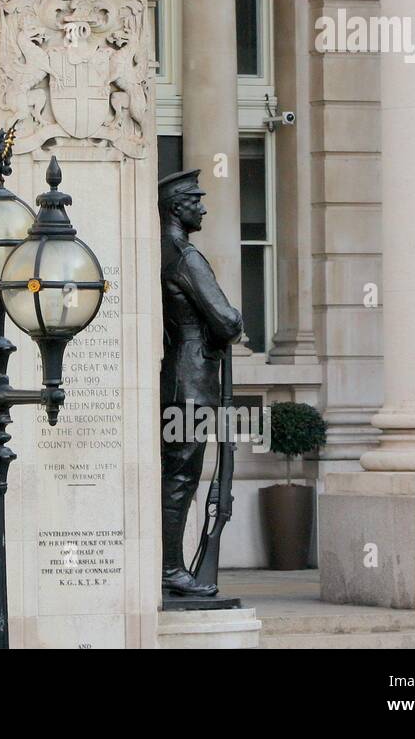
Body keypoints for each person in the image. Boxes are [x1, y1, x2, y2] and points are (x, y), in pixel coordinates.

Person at [157, 168, 243, 597]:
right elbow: (226, 320)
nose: (205, 207)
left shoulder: (165, 251)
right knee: (180, 477)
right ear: (177, 207)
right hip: (191, 381)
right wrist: (232, 323)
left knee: (178, 474)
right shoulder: (185, 256)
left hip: (182, 375)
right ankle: (171, 568)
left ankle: (171, 566)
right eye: (197, 200)